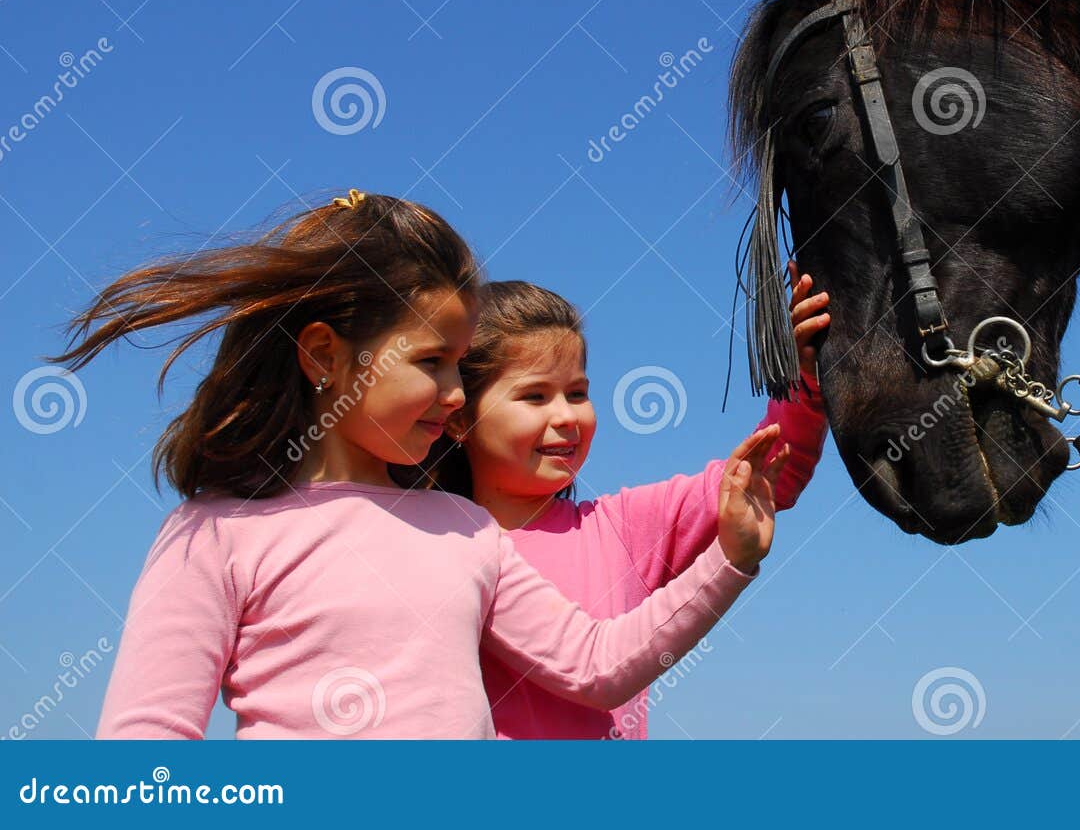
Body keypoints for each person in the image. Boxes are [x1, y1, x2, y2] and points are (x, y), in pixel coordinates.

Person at [67, 190, 784, 739]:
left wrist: (730, 560)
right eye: (430, 362)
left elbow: (595, 663)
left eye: (460, 366)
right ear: (323, 355)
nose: (453, 393)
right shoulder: (216, 533)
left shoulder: (466, 529)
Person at [421, 262, 830, 738]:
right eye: (533, 396)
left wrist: (804, 375)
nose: (566, 416)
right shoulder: (425, 544)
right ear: (456, 417)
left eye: (577, 393)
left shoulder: (624, 528)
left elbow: (766, 478)